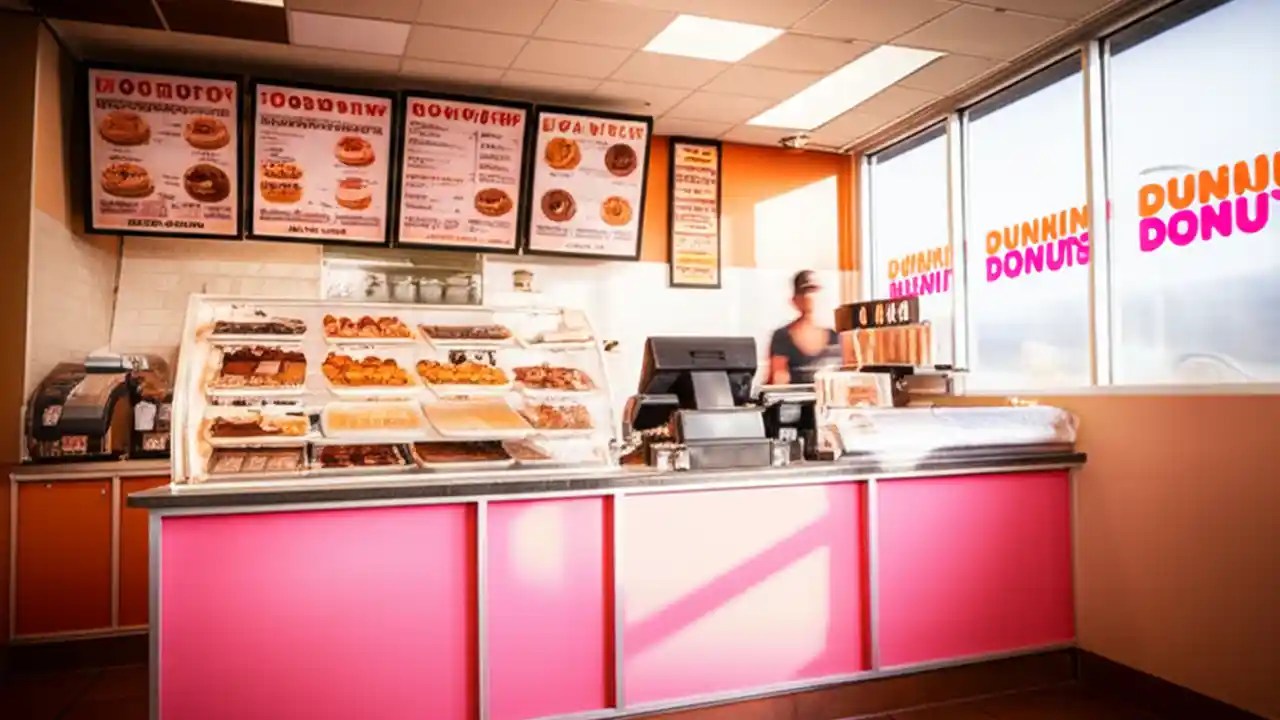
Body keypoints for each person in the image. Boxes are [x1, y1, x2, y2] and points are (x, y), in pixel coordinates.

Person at [768, 270, 839, 385]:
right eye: (806, 291)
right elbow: (778, 380)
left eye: (816, 290)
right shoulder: (783, 337)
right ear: (795, 300)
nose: (811, 296)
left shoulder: (837, 337)